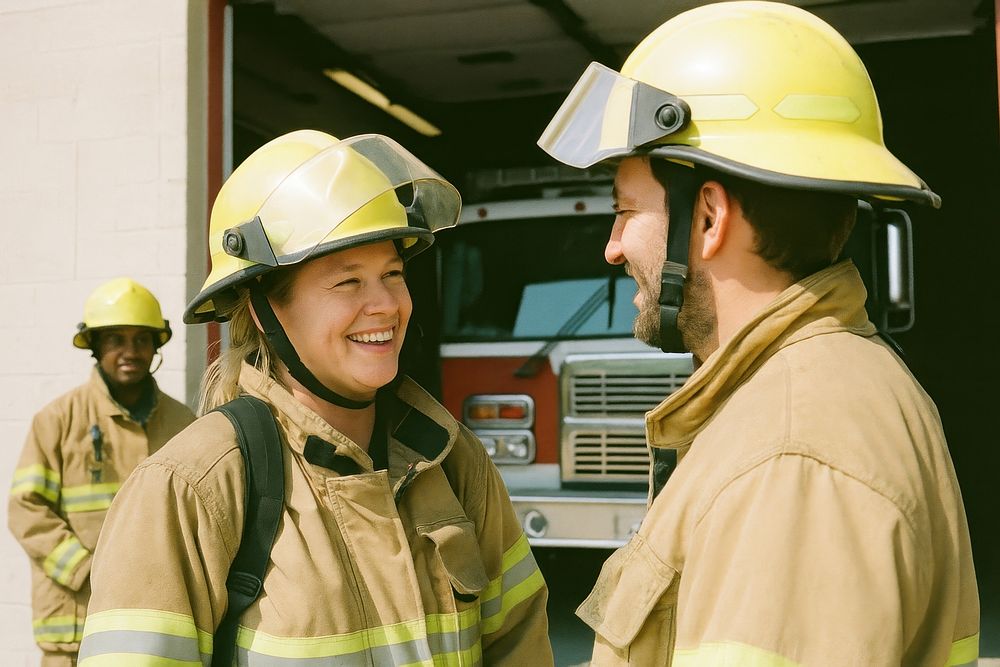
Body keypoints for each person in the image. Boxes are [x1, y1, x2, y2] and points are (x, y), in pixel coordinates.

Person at [538, 2, 978, 665]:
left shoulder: (791, 455)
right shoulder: (808, 397)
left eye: (626, 210)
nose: (612, 246)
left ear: (709, 218)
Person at [76, 130, 553, 665]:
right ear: (261, 310)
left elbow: (519, 644)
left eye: (393, 273)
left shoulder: (452, 460)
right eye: (347, 281)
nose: (385, 305)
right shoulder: (192, 488)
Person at [8, 277, 195, 666]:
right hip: (75, 628)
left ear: (157, 345)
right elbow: (26, 511)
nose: (130, 351)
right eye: (115, 340)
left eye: (142, 339)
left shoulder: (183, 423)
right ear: (94, 346)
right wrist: (86, 570)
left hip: (157, 622)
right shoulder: (57, 421)